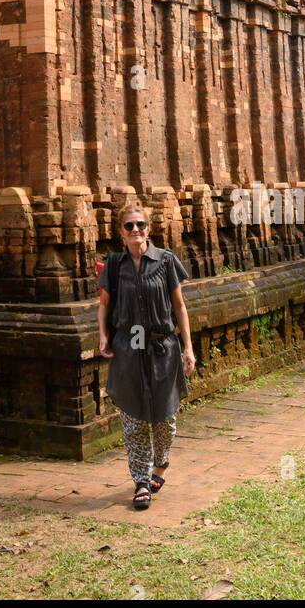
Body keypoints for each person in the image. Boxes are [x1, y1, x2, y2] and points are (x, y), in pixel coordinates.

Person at [98, 207, 196, 510]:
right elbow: (103, 305)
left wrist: (188, 347)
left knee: (165, 420)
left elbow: (179, 307)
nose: (135, 230)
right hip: (129, 345)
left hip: (161, 347)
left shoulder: (165, 261)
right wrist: (103, 335)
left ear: (149, 229)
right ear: (121, 232)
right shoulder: (114, 266)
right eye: (129, 225)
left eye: (141, 224)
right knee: (134, 420)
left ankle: (161, 463)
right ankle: (141, 481)